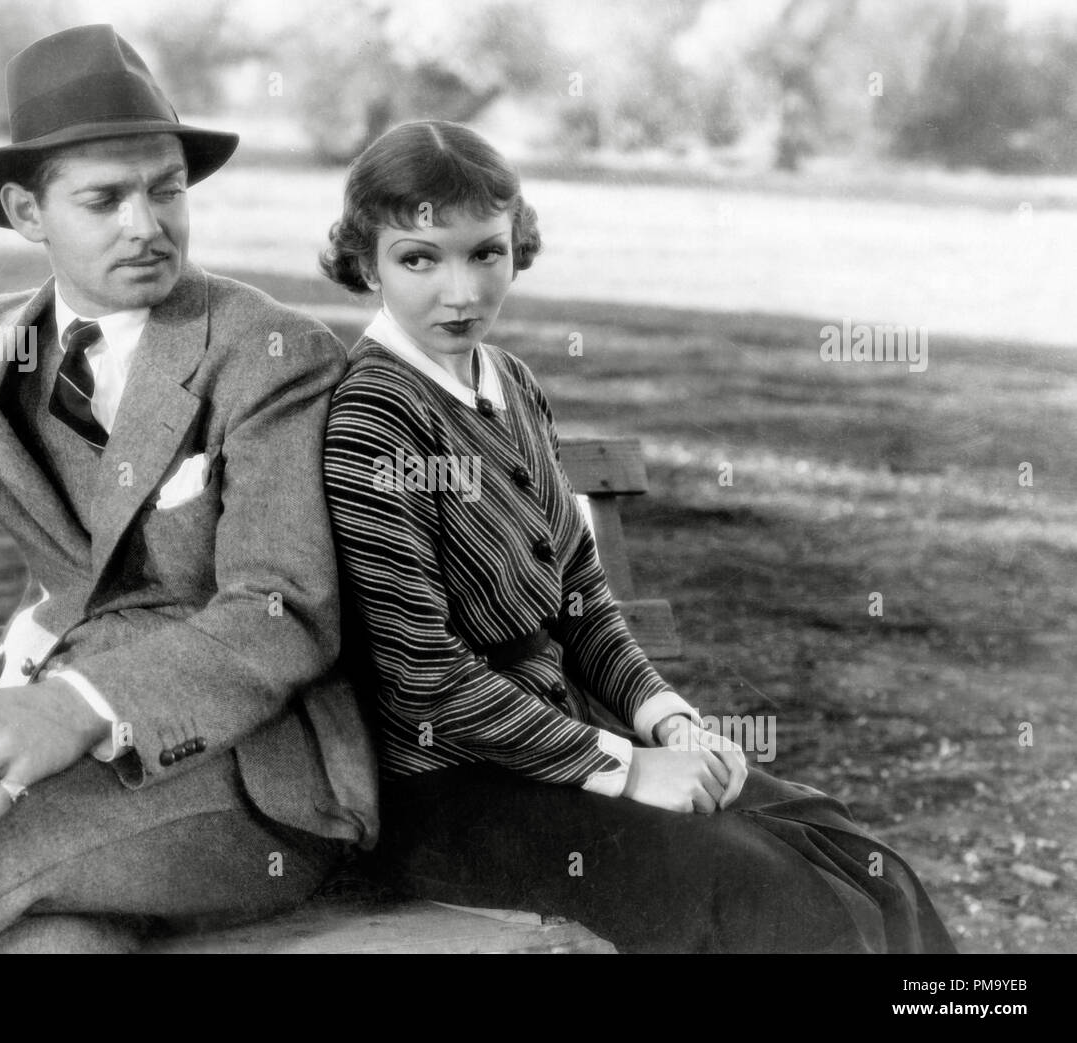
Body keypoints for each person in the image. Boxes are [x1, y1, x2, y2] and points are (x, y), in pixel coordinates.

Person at [0, 24, 376, 953]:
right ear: (27, 212)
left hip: (250, 784)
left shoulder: (269, 353)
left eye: (166, 191)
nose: (148, 224)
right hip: (66, 799)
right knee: (51, 945)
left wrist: (71, 706)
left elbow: (280, 608)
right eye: (105, 199)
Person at [319, 119, 956, 954]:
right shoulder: (373, 417)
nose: (461, 292)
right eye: (419, 258)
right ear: (367, 262)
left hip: (570, 749)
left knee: (850, 851)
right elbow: (425, 680)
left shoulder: (510, 382)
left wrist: (669, 722)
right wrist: (626, 768)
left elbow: (582, 596)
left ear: (518, 247)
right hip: (452, 795)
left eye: (485, 253)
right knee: (765, 889)